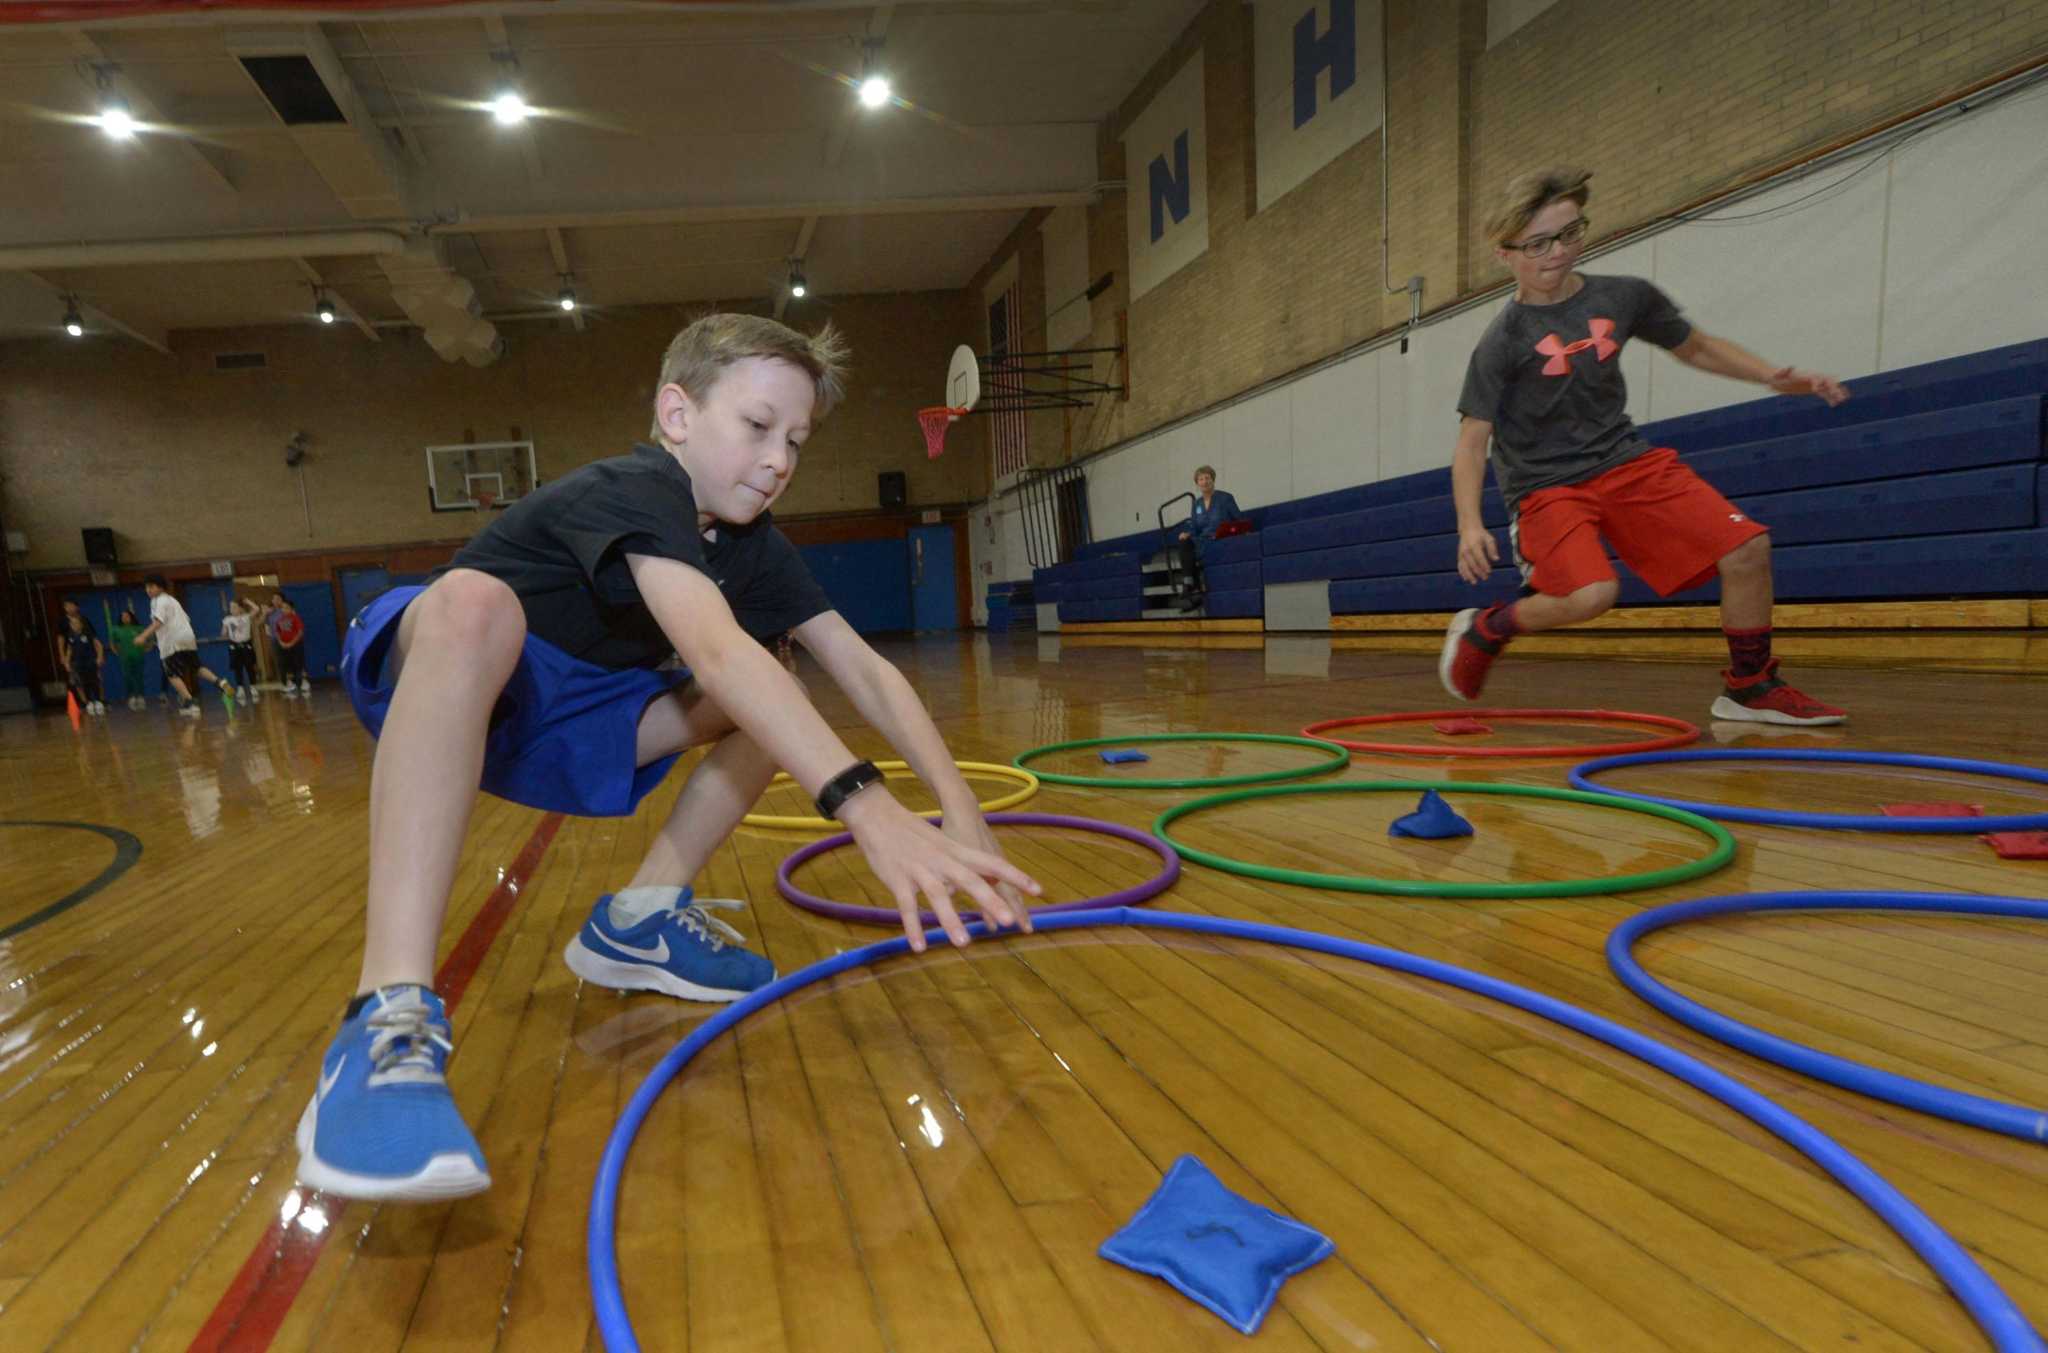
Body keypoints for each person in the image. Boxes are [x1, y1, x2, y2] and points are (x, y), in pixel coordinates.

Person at [300, 313, 1041, 1202]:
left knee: (773, 686)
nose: (779, 459)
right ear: (677, 414)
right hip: (436, 674)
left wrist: (961, 812)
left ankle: (641, 913)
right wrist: (867, 805)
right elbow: (715, 653)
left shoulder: (754, 547)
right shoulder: (639, 483)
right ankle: (382, 1013)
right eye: (758, 425)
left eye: (796, 440)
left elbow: (868, 673)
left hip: (559, 726)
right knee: (475, 603)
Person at [1441, 167, 1848, 726]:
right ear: (1504, 253)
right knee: (1591, 595)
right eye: (1537, 244)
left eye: (1570, 234)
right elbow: (1472, 442)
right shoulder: (1502, 341)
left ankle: (1751, 687)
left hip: (1624, 460)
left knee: (1747, 548)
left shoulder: (1623, 295)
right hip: (1545, 485)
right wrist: (1469, 525)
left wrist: (1773, 376)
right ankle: (1489, 628)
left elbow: (1696, 347)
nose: (1558, 253)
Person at [134, 576, 236, 717]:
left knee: (171, 674)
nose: (148, 590)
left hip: (172, 641)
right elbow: (185, 619)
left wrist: (143, 636)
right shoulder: (173, 600)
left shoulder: (159, 601)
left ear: (160, 587)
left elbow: (158, 622)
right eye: (146, 587)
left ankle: (190, 703)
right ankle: (220, 682)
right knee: (196, 667)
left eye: (151, 586)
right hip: (188, 637)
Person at [1172, 466, 1241, 609]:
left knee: (1193, 554)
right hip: (1202, 540)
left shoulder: (1225, 498)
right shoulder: (1196, 504)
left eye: (1207, 478)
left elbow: (1238, 520)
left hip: (1219, 538)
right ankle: (1189, 583)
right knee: (1184, 542)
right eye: (1201, 479)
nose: (1204, 481)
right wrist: (1188, 533)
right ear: (1197, 483)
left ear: (1213, 480)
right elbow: (1195, 528)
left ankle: (1194, 588)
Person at [60, 613, 106, 715]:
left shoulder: (88, 634)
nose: (74, 626)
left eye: (76, 623)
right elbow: (69, 650)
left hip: (90, 661)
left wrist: (99, 657)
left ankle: (98, 701)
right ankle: (89, 702)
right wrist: (67, 662)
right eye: (72, 624)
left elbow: (99, 645)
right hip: (78, 663)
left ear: (81, 624)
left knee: (94, 681)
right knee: (84, 683)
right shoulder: (71, 636)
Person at [268, 594, 311, 695]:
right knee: (287, 664)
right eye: (283, 608)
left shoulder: (295, 618)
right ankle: (290, 684)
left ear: (292, 609)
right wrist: (282, 643)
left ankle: (303, 682)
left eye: (286, 608)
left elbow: (300, 632)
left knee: (298, 663)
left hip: (295, 645)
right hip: (284, 646)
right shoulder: (280, 620)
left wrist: (292, 643)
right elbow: (278, 633)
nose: (284, 610)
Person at [110, 606, 151, 709]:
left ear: (131, 617)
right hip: (125, 658)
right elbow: (113, 643)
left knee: (139, 677)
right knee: (128, 677)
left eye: (127, 616)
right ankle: (131, 697)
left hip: (138, 657)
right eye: (123, 617)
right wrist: (117, 652)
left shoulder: (139, 628)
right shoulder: (116, 629)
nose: (125, 618)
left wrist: (146, 649)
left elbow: (150, 639)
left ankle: (140, 697)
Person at [222, 597, 262, 702]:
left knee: (249, 667)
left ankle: (253, 687)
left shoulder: (246, 617)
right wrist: (224, 632)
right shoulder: (227, 619)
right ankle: (240, 688)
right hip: (234, 646)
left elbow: (257, 609)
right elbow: (224, 632)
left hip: (246, 644)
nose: (232, 609)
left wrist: (248, 601)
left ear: (240, 608)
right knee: (237, 668)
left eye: (234, 607)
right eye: (231, 607)